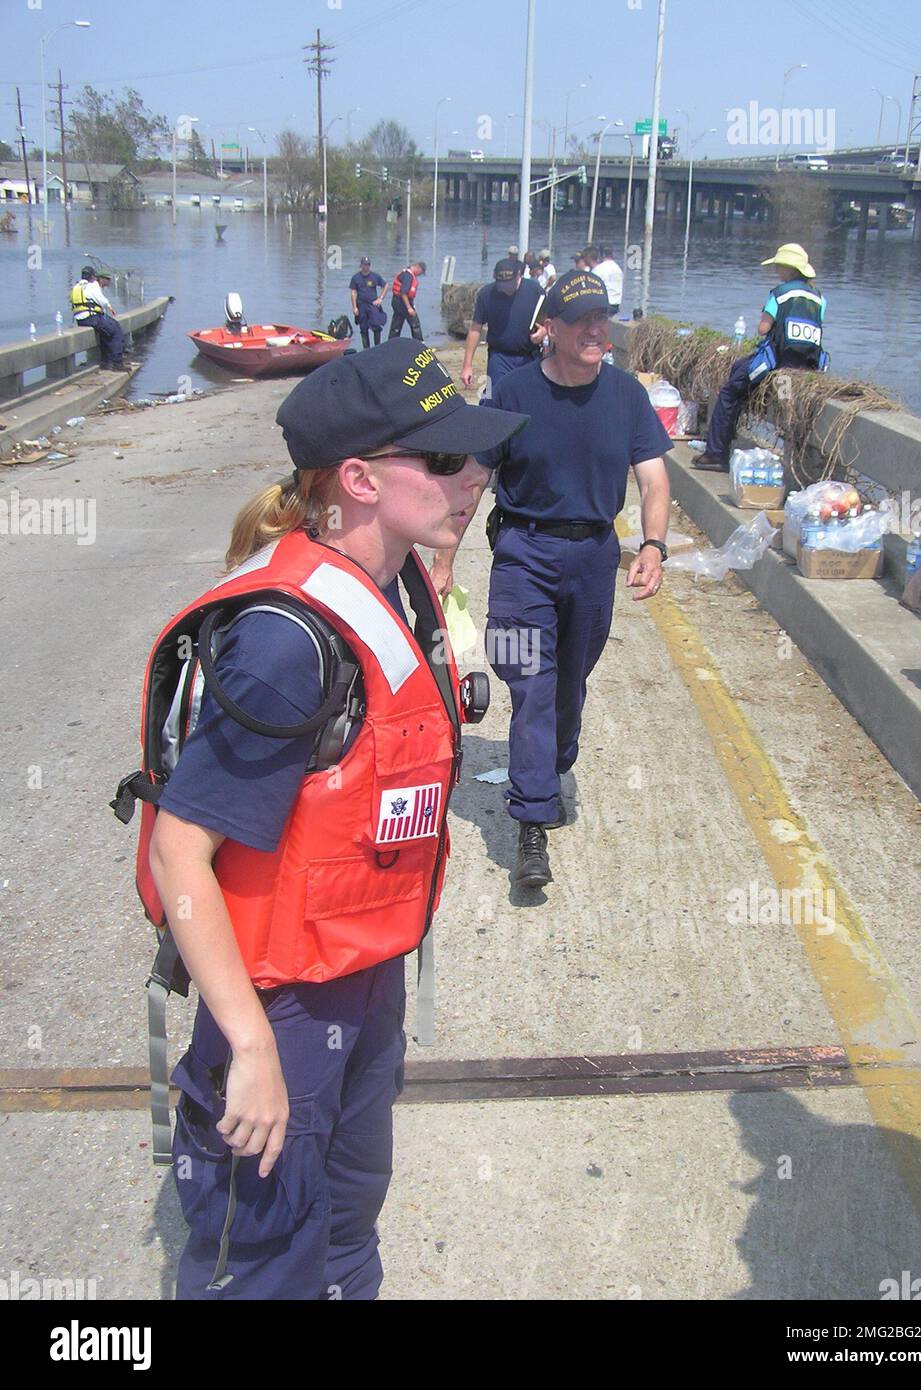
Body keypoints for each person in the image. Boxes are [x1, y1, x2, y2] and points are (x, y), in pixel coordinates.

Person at [142, 340, 527, 1299]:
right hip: (282, 997)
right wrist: (253, 1051)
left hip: (364, 975)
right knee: (261, 1249)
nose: (473, 476)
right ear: (356, 479)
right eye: (443, 461)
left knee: (349, 1216)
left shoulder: (397, 583)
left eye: (476, 456)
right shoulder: (285, 641)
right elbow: (180, 849)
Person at [431, 272, 672, 890]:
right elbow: (472, 482)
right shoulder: (512, 394)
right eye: (583, 319)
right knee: (529, 681)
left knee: (570, 680)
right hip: (522, 554)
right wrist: (443, 557)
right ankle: (531, 820)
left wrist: (653, 545)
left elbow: (653, 478)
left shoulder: (626, 396)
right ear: (553, 329)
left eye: (603, 318)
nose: (597, 329)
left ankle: (552, 759)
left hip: (593, 556)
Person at [694, 243, 827, 471]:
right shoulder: (819, 298)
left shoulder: (780, 294)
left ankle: (716, 453)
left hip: (777, 364)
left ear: (788, 268)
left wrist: (765, 316)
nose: (776, 270)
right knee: (761, 382)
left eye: (778, 266)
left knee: (729, 392)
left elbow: (763, 329)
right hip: (807, 367)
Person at [460, 257, 545, 395]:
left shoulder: (535, 290)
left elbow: (551, 320)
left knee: (528, 397)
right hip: (498, 356)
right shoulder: (486, 294)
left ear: (518, 276)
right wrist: (467, 365)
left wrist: (543, 332)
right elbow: (475, 329)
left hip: (529, 356)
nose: (506, 289)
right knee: (492, 397)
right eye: (502, 285)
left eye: (510, 284)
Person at [69, 264, 125, 368]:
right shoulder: (90, 286)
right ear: (92, 277)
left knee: (105, 332)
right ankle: (117, 363)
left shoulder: (76, 287)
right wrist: (109, 306)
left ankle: (105, 361)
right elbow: (101, 301)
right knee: (115, 329)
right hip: (92, 318)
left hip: (80, 319)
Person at [348, 256, 387, 350]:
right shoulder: (355, 278)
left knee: (376, 325)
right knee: (363, 327)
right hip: (361, 305)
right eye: (364, 265)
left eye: (368, 265)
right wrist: (354, 307)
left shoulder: (374, 276)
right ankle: (366, 349)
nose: (366, 267)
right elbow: (353, 292)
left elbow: (385, 285)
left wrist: (381, 298)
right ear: (361, 265)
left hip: (372, 305)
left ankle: (377, 348)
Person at [388, 260, 426, 340]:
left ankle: (391, 343)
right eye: (421, 272)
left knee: (396, 325)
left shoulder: (405, 273)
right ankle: (419, 344)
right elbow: (403, 292)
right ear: (418, 267)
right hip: (403, 302)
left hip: (396, 302)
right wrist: (409, 307)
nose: (420, 275)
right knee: (415, 324)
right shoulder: (408, 276)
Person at [590, 244, 623, 314]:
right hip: (616, 305)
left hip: (603, 305)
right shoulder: (618, 269)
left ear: (601, 255)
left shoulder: (598, 269)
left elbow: (590, 288)